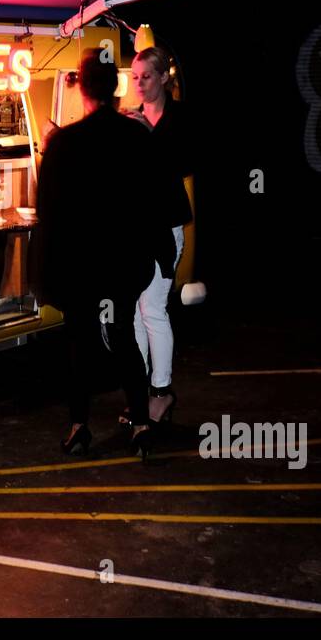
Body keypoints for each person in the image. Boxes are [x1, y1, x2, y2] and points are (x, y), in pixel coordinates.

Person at [32, 49, 175, 460]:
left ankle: (79, 427)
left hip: (81, 266)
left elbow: (49, 212)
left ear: (83, 88)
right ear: (115, 86)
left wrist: (48, 273)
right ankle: (142, 425)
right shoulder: (136, 136)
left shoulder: (65, 143)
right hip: (124, 263)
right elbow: (157, 202)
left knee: (80, 344)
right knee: (125, 337)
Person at [123, 46, 194, 427]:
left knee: (153, 309)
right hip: (135, 227)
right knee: (133, 312)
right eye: (134, 77)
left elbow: (180, 165)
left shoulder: (179, 118)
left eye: (145, 77)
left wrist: (148, 135)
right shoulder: (131, 117)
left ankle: (161, 393)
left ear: (164, 77)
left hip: (165, 227)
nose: (139, 84)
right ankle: (140, 392)